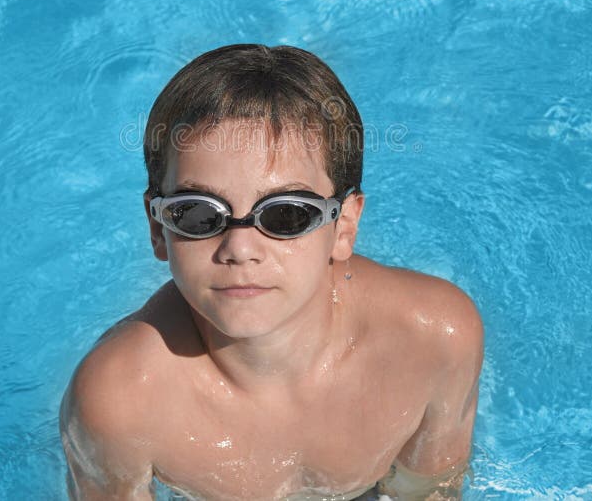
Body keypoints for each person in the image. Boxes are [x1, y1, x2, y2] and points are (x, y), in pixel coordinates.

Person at [60, 44, 483, 500]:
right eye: (198, 214)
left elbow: (429, 490)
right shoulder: (122, 401)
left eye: (287, 215)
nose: (240, 248)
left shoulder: (434, 340)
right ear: (157, 228)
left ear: (345, 225)